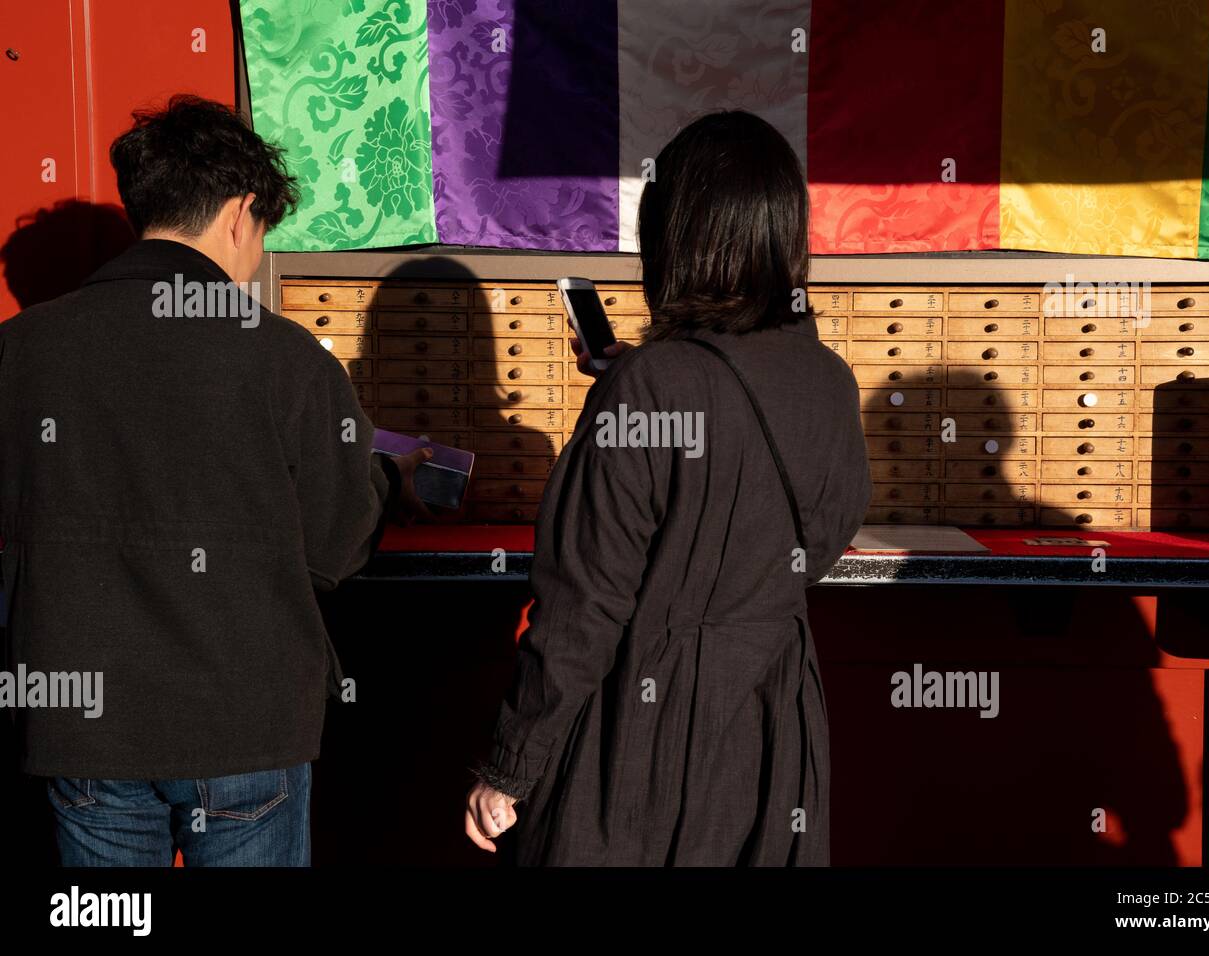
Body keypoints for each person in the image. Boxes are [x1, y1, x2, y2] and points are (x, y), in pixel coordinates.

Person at [0, 94, 431, 866]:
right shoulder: (288, 360)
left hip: (77, 727)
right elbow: (335, 547)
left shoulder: (20, 351)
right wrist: (385, 480)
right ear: (240, 213)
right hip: (244, 723)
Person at [464, 110, 872, 865]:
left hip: (644, 734)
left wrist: (510, 768)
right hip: (774, 724)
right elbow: (811, 543)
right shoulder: (830, 381)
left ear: (675, 236)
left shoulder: (651, 388)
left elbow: (583, 606)